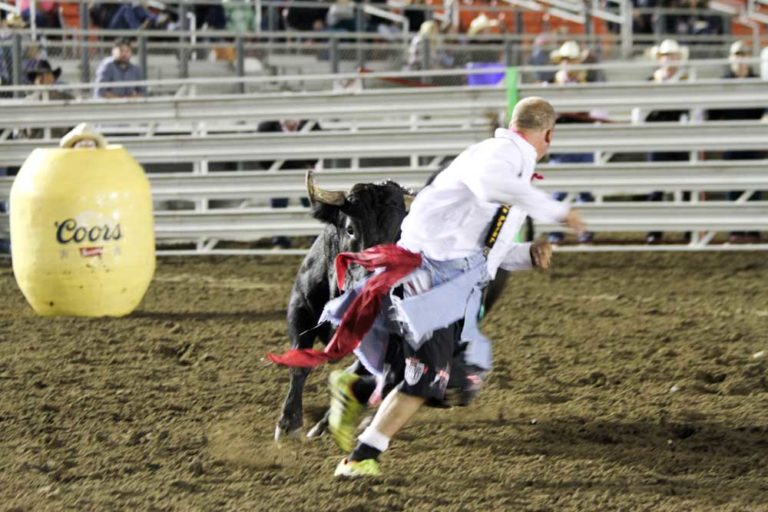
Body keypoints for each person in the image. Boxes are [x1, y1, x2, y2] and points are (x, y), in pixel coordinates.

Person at [267, 97, 585, 477]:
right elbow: (488, 186)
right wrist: (558, 211)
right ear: (549, 134)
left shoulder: (505, 162)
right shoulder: (502, 156)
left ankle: (356, 391)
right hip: (431, 280)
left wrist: (525, 255)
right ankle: (361, 456)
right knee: (426, 378)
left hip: (443, 280)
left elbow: (479, 247)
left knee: (437, 373)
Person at [706, 40, 766, 243]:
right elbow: (713, 113)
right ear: (731, 57)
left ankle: (753, 228)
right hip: (732, 140)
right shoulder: (724, 83)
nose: (740, 58)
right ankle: (737, 228)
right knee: (734, 186)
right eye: (737, 54)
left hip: (754, 141)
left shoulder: (758, 82)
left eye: (744, 54)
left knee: (754, 186)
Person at [640, 38, 692, 244]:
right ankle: (655, 230)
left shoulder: (686, 82)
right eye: (666, 56)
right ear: (660, 59)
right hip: (657, 140)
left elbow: (695, 113)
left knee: (686, 186)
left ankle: (690, 229)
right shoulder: (650, 82)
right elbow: (639, 114)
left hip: (681, 141)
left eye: (673, 56)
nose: (669, 60)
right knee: (656, 187)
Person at [15, 60, 73, 140]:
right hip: (35, 144)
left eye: (47, 74)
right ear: (35, 81)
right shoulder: (28, 101)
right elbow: (21, 130)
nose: (44, 78)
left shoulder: (66, 98)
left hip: (61, 142)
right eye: (40, 75)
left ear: (53, 78)